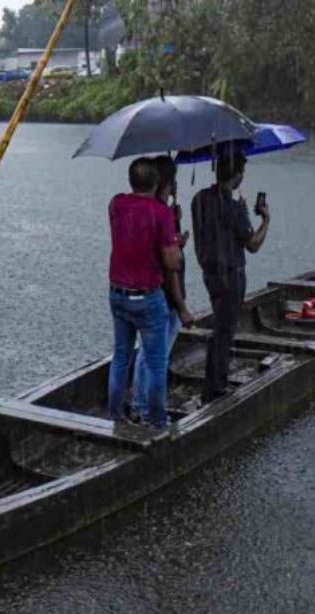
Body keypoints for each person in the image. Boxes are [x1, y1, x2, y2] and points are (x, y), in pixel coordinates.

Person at [107, 157, 193, 429]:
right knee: (156, 364)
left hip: (117, 294)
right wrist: (176, 244)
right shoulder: (160, 212)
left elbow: (134, 236)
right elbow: (171, 262)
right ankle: (155, 420)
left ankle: (116, 415)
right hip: (147, 297)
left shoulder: (116, 203)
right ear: (157, 182)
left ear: (131, 180)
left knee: (121, 356)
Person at [190, 152, 270, 403]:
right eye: (242, 173)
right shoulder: (233, 208)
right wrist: (265, 219)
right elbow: (253, 245)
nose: (242, 177)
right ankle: (215, 390)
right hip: (231, 275)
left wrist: (240, 212)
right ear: (236, 176)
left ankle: (214, 383)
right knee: (224, 331)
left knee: (220, 326)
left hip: (209, 273)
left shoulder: (199, 199)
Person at [130, 155, 190, 422]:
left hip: (146, 293)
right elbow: (169, 266)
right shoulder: (159, 213)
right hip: (163, 297)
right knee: (157, 358)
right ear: (165, 183)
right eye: (173, 182)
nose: (176, 187)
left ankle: (139, 404)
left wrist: (175, 237)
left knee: (147, 353)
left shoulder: (146, 211)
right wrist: (182, 306)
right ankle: (149, 412)